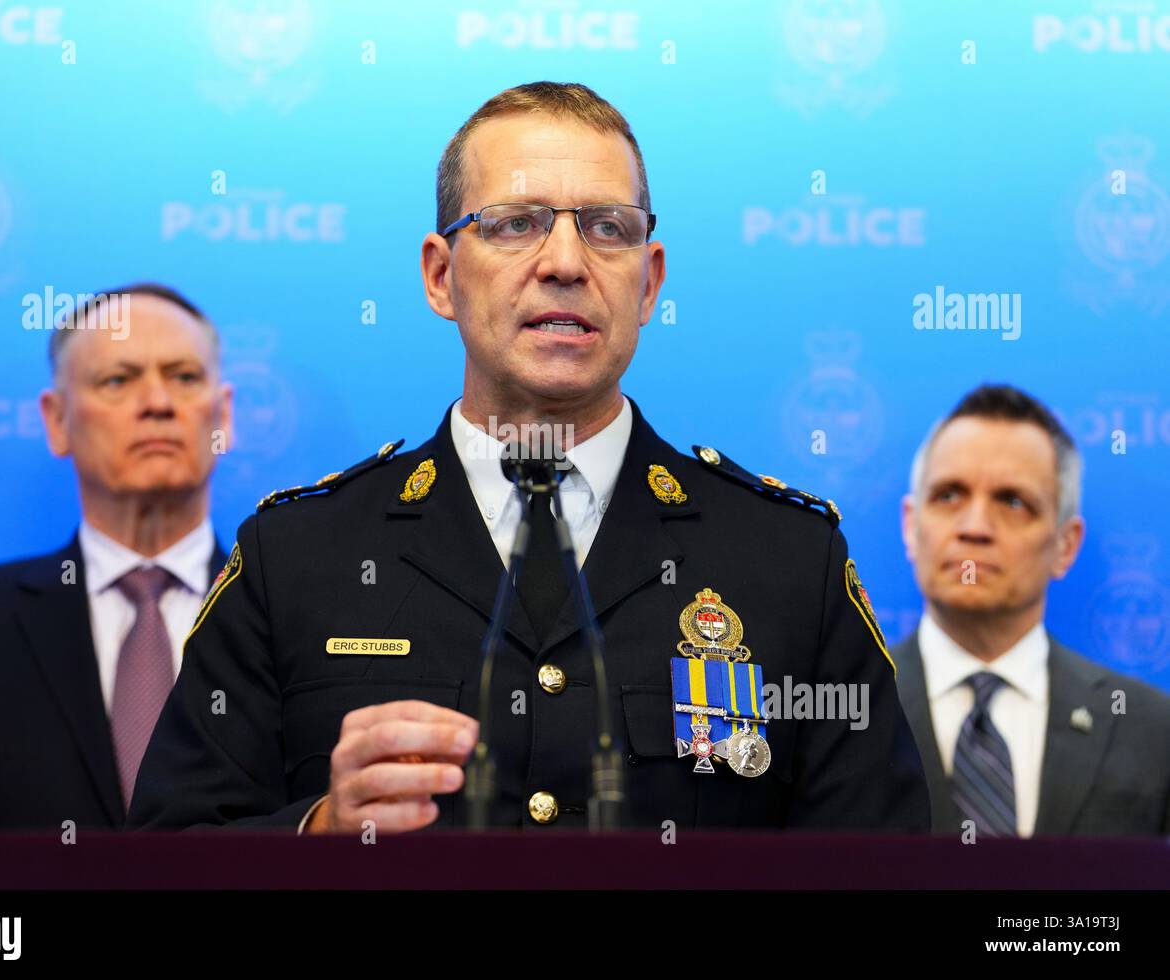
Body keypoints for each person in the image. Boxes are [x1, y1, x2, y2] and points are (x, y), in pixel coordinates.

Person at [129, 82, 929, 835]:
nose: (566, 262)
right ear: (441, 276)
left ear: (648, 285)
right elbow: (167, 857)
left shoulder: (788, 563)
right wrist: (320, 830)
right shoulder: (298, 557)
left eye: (607, 227)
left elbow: (883, 869)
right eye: (516, 223)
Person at [0, 284, 233, 887]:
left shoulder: (292, 612)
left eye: (185, 377)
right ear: (57, 420)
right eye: (118, 380)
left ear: (223, 415)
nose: (158, 402)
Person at [894, 383, 1170, 836]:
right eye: (948, 495)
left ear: (1065, 545)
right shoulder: (844, 715)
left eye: (1013, 502)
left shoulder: (1152, 732)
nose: (975, 527)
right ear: (911, 525)